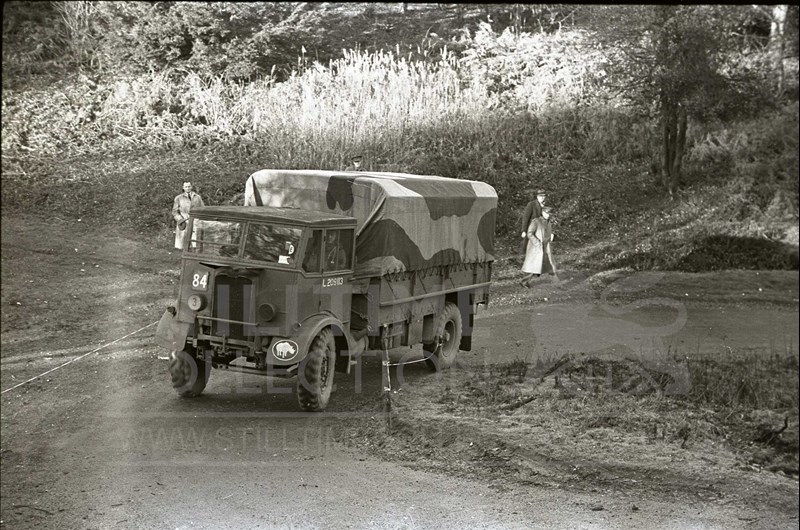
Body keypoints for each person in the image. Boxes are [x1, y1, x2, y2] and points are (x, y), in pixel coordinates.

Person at [520, 206, 559, 287]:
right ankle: (524, 282)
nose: (548, 215)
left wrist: (551, 236)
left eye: (549, 214)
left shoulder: (549, 222)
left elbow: (548, 232)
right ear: (542, 213)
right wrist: (537, 243)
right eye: (546, 213)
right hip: (536, 247)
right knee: (534, 265)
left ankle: (556, 280)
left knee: (550, 262)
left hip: (546, 246)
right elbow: (530, 233)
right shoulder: (536, 222)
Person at [172, 181, 205, 250]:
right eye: (186, 187)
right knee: (183, 240)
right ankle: (183, 253)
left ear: (191, 187)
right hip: (184, 220)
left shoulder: (197, 197)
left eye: (189, 186)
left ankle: (195, 251)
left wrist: (200, 218)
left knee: (195, 240)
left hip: (195, 220)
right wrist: (180, 220)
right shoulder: (178, 198)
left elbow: (203, 208)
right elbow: (175, 212)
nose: (188, 188)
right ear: (183, 188)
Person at [520, 189, 547, 255]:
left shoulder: (545, 206)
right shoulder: (531, 204)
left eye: (544, 196)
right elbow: (526, 217)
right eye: (541, 196)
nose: (542, 198)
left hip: (540, 229)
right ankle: (524, 257)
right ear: (537, 197)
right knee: (527, 245)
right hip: (531, 228)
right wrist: (524, 230)